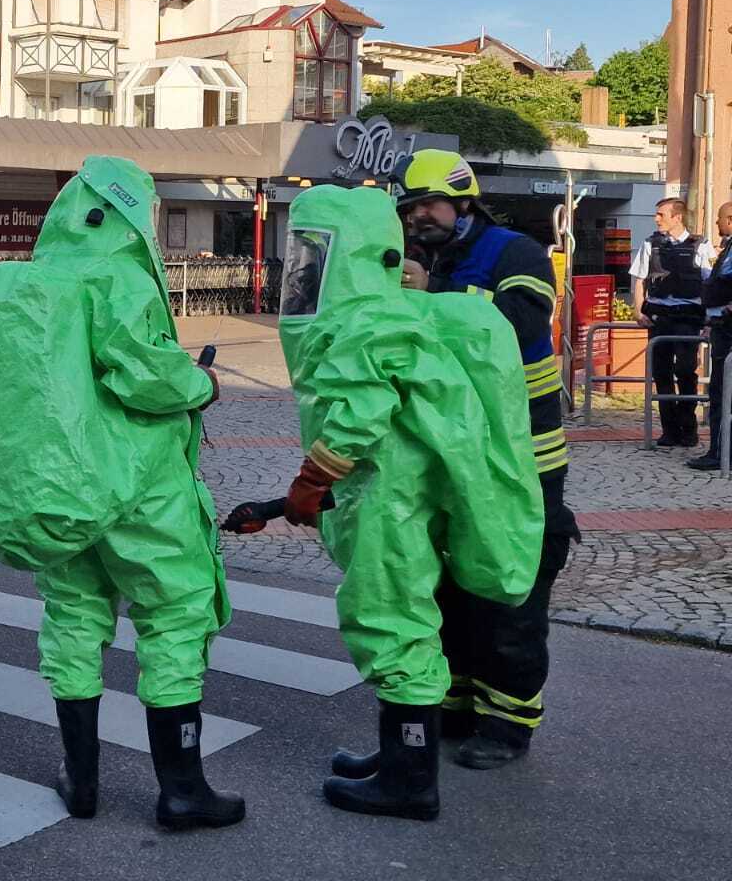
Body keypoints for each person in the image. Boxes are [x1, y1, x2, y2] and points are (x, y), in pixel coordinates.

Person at [228, 183, 542, 821]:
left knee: (388, 618)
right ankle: (398, 754)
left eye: (314, 253)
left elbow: (358, 413)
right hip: (392, 488)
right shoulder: (397, 313)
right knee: (405, 614)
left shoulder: (366, 321)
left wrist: (312, 481)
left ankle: (408, 780)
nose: (305, 269)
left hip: (386, 494)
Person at [0, 156, 244, 832]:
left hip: (62, 488)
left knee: (74, 617)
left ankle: (81, 780)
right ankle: (182, 789)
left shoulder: (38, 281)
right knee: (173, 615)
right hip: (140, 487)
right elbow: (146, 378)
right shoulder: (118, 278)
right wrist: (202, 384)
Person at [394, 149, 581, 769]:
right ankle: (455, 704)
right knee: (450, 583)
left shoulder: (515, 252)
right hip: (449, 453)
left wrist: (432, 296)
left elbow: (516, 324)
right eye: (409, 208)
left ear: (464, 200)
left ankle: (507, 724)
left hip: (520, 455)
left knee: (510, 586)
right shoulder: (417, 261)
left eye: (428, 204)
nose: (417, 216)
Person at [630, 196, 713, 447]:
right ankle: (669, 430)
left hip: (688, 317)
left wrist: (709, 319)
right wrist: (637, 311)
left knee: (686, 370)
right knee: (661, 372)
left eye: (661, 215)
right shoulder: (651, 244)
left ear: (677, 217)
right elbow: (640, 279)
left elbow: (709, 283)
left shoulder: (700, 245)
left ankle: (688, 428)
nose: (656, 219)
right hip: (659, 317)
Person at [690, 202, 732, 470]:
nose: (717, 224)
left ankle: (720, 453)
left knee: (722, 392)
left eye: (720, 219)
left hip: (727, 329)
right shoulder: (728, 247)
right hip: (721, 325)